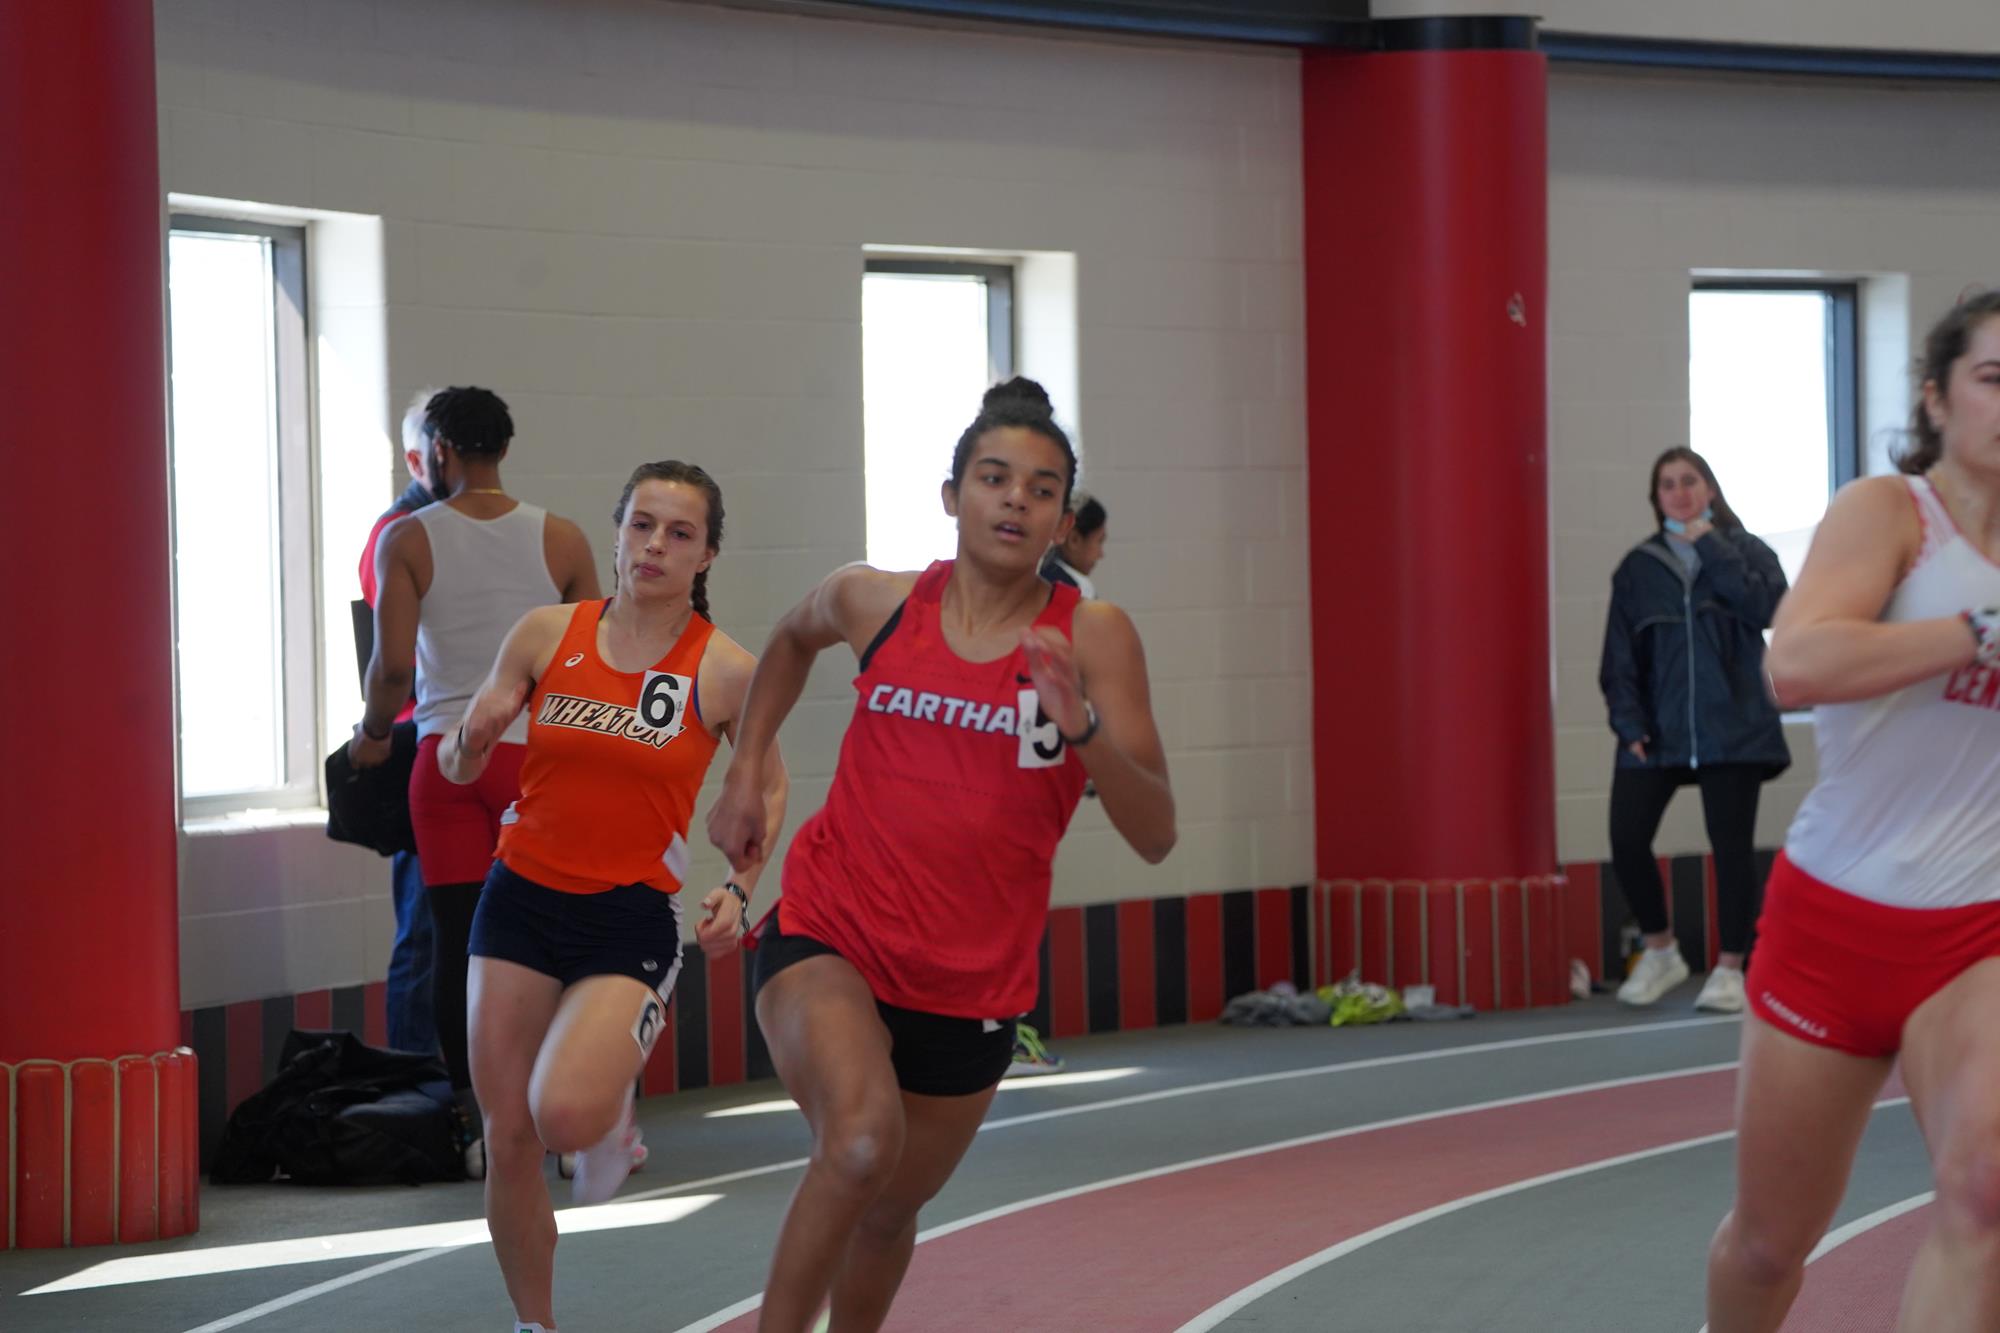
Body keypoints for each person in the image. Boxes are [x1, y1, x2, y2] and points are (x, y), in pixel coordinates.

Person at [707, 377, 1177, 1333]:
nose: (1015, 499)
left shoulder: (1092, 637)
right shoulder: (874, 599)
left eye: (1041, 489)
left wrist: (1082, 727)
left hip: (970, 986)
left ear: (1060, 518)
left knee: (887, 1210)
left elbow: (1157, 830)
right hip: (829, 931)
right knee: (859, 1144)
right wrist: (747, 769)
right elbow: (792, 641)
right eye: (994, 478)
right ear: (952, 493)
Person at [1704, 290, 2000, 1333]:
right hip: (1835, 919)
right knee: (1765, 1244)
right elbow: (1793, 664)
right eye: (1991, 379)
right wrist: (1978, 629)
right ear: (1934, 396)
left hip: (1979, 931)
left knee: (1984, 1197)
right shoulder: (1886, 514)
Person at [442, 462, 786, 1333]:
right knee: (509, 1133)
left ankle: (611, 1114)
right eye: (641, 525)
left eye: (678, 533)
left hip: (625, 916)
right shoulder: (546, 632)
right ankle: (536, 1324)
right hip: (518, 898)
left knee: (561, 1114)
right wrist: (470, 742)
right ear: (617, 531)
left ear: (708, 551)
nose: (654, 547)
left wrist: (739, 889)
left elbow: (769, 787)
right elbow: (461, 751)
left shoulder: (726, 669)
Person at [349, 386, 599, 1175]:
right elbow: (595, 665)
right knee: (552, 935)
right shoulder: (561, 537)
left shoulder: (406, 539)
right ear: (504, 449)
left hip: (447, 763)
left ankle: (479, 1125)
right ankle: (561, 1119)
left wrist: (372, 735)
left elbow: (393, 669)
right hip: (536, 759)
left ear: (441, 452)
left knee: (460, 944)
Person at [1598, 448, 1790, 1013]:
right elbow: (1620, 655)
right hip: (1658, 728)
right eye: (1667, 485)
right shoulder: (1639, 567)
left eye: (1690, 481)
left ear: (1709, 488)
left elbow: (1771, 608)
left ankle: (1732, 967)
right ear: (1656, 499)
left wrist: (1710, 544)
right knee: (1627, 837)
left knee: (1730, 849)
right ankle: (1660, 951)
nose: (1679, 492)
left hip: (1732, 726)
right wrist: (1628, 722)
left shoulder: (1747, 552)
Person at [358, 387, 440, 1056]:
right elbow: (394, 664)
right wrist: (377, 732)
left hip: (464, 738)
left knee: (453, 923)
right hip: (418, 740)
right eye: (449, 454)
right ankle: (418, 1085)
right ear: (418, 458)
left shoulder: (455, 527)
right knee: (424, 925)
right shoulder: (399, 536)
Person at [1039, 490, 1107, 597]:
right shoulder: (1080, 589)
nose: (1101, 554)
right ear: (1074, 540)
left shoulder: (1029, 574)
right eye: (1099, 541)